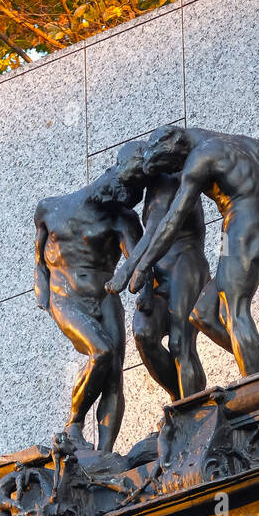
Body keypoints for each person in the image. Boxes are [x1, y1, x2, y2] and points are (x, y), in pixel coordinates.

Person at [110, 124, 259, 377]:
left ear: (178, 147)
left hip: (238, 231)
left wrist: (142, 266)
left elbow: (173, 219)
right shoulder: (253, 145)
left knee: (235, 310)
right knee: (204, 313)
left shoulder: (201, 156)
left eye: (175, 167)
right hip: (257, 235)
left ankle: (257, 388)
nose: (178, 172)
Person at [34, 169, 142, 457]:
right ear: (106, 177)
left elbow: (137, 262)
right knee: (102, 351)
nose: (111, 199)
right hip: (66, 298)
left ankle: (105, 453)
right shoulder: (50, 208)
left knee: (114, 372)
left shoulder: (122, 219)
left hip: (105, 296)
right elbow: (39, 254)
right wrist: (40, 284)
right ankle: (75, 423)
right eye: (112, 188)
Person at [106, 136, 210, 400]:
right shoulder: (152, 188)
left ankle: (192, 412)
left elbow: (154, 232)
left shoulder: (171, 180)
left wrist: (127, 270)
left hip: (185, 267)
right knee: (144, 333)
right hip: (159, 277)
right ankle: (182, 399)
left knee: (180, 343)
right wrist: (146, 291)